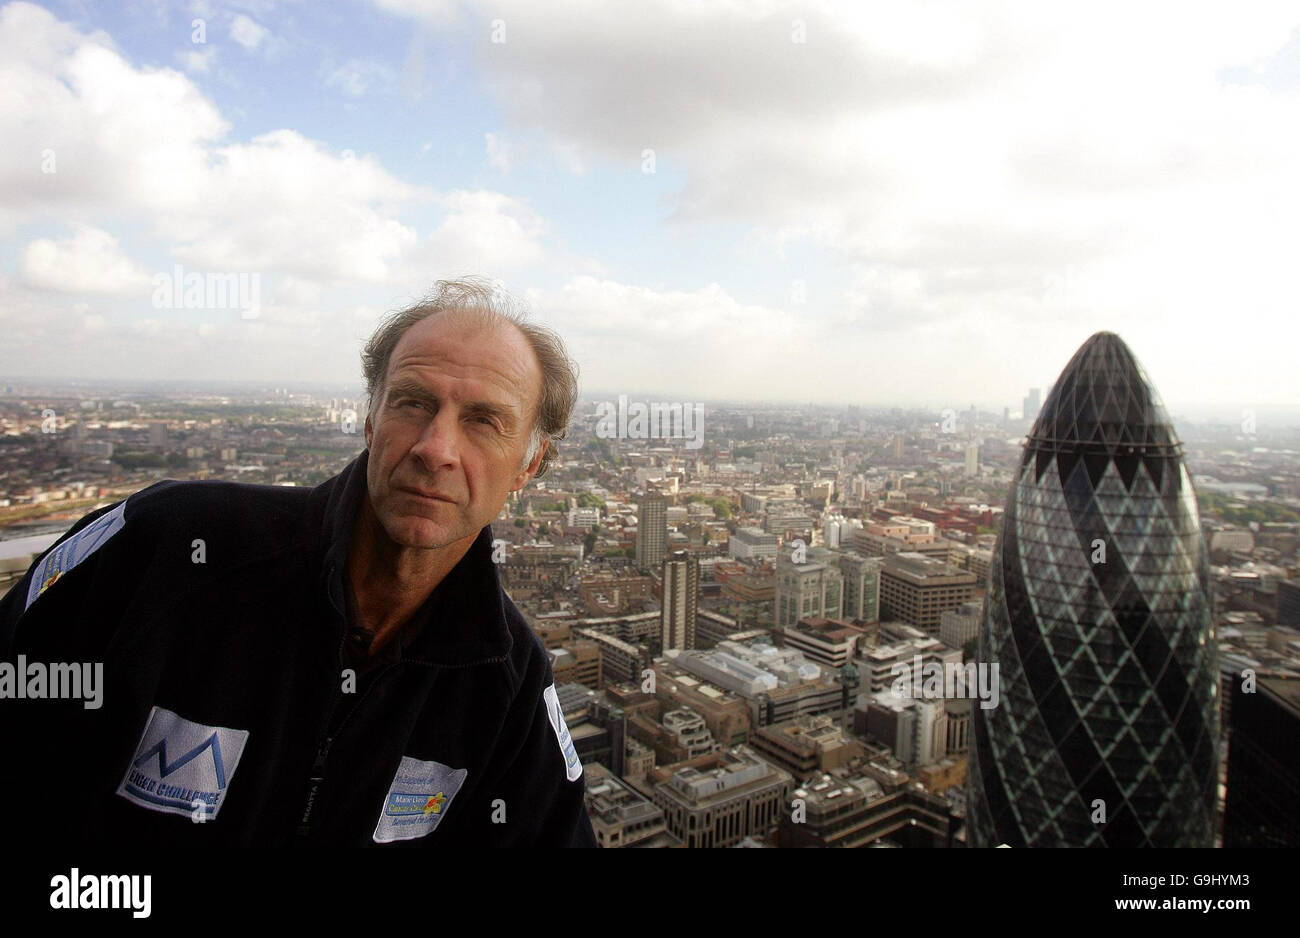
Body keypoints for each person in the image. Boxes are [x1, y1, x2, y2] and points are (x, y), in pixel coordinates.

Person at [0, 278, 597, 847]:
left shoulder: (507, 683)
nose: (435, 448)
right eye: (412, 404)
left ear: (529, 464)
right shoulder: (163, 548)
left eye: (484, 421)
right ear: (370, 420)